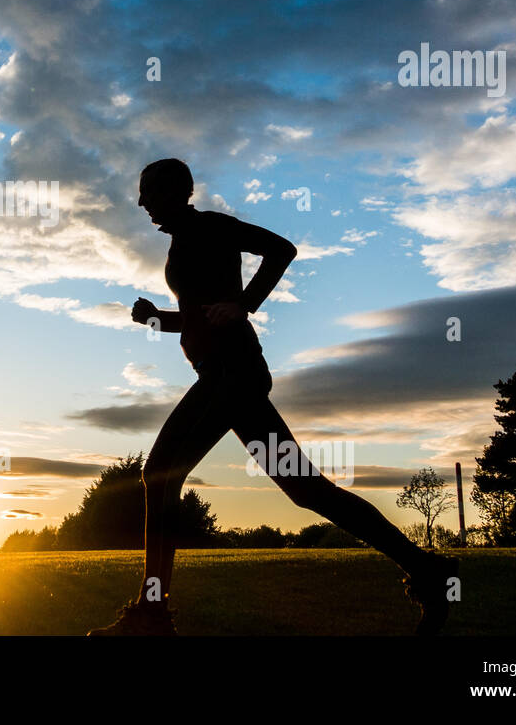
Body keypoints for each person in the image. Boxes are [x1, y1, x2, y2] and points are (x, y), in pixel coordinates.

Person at [87, 158, 457, 636]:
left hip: (232, 375)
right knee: (307, 491)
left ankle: (152, 616)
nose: (142, 203)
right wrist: (157, 317)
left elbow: (282, 249)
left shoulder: (211, 227)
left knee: (159, 474)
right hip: (224, 376)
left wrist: (245, 304)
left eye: (150, 193)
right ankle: (427, 571)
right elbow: (202, 317)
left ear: (179, 192)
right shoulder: (183, 241)